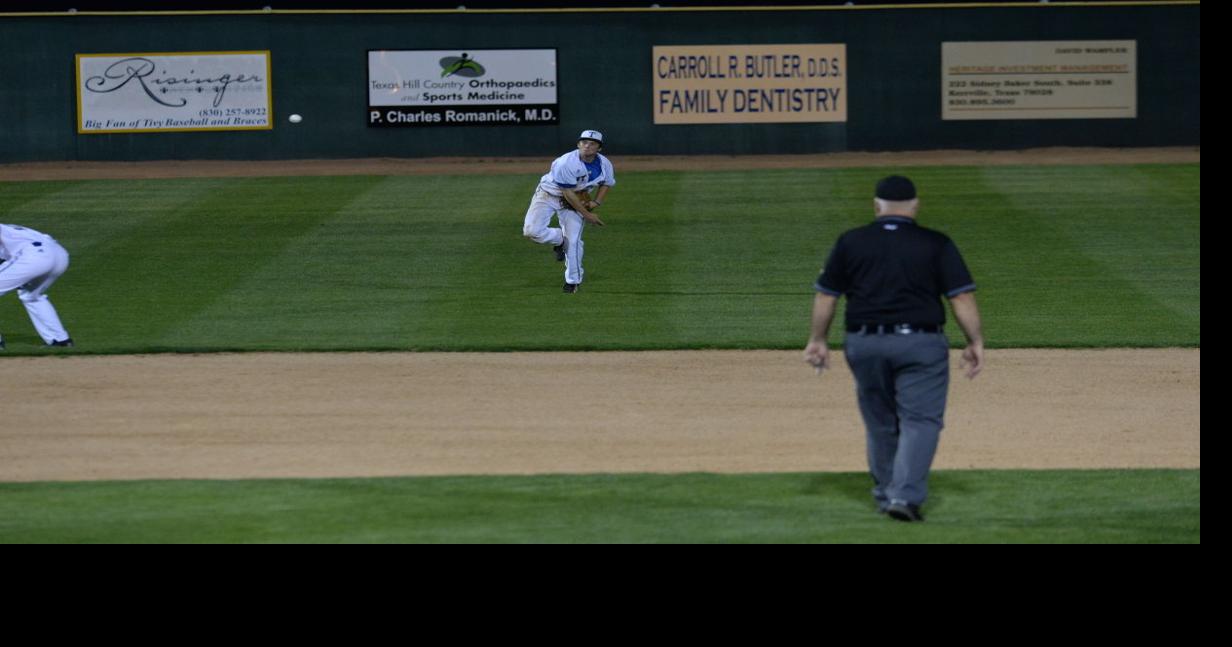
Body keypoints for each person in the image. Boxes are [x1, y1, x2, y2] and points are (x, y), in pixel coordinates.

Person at [803, 176, 983, 522]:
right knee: (920, 420)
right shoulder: (935, 243)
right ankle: (904, 496)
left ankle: (887, 494)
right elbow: (960, 295)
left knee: (880, 421)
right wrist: (974, 341)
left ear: (876, 206)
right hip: (920, 344)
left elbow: (827, 295)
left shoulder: (851, 242)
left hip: (864, 343)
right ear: (915, 206)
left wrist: (818, 339)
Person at [522, 129, 615, 293]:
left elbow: (607, 183)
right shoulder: (566, 162)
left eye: (592, 143)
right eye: (584, 142)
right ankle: (559, 240)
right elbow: (567, 193)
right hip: (548, 194)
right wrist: (587, 215)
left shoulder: (604, 164)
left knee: (573, 241)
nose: (587, 145)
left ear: (599, 148)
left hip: (576, 200)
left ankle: (573, 281)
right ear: (578, 144)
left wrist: (596, 202)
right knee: (531, 231)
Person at [0, 223, 74, 350]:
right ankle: (60, 341)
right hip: (58, 253)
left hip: (34, 256)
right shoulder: (9, 229)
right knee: (31, 296)